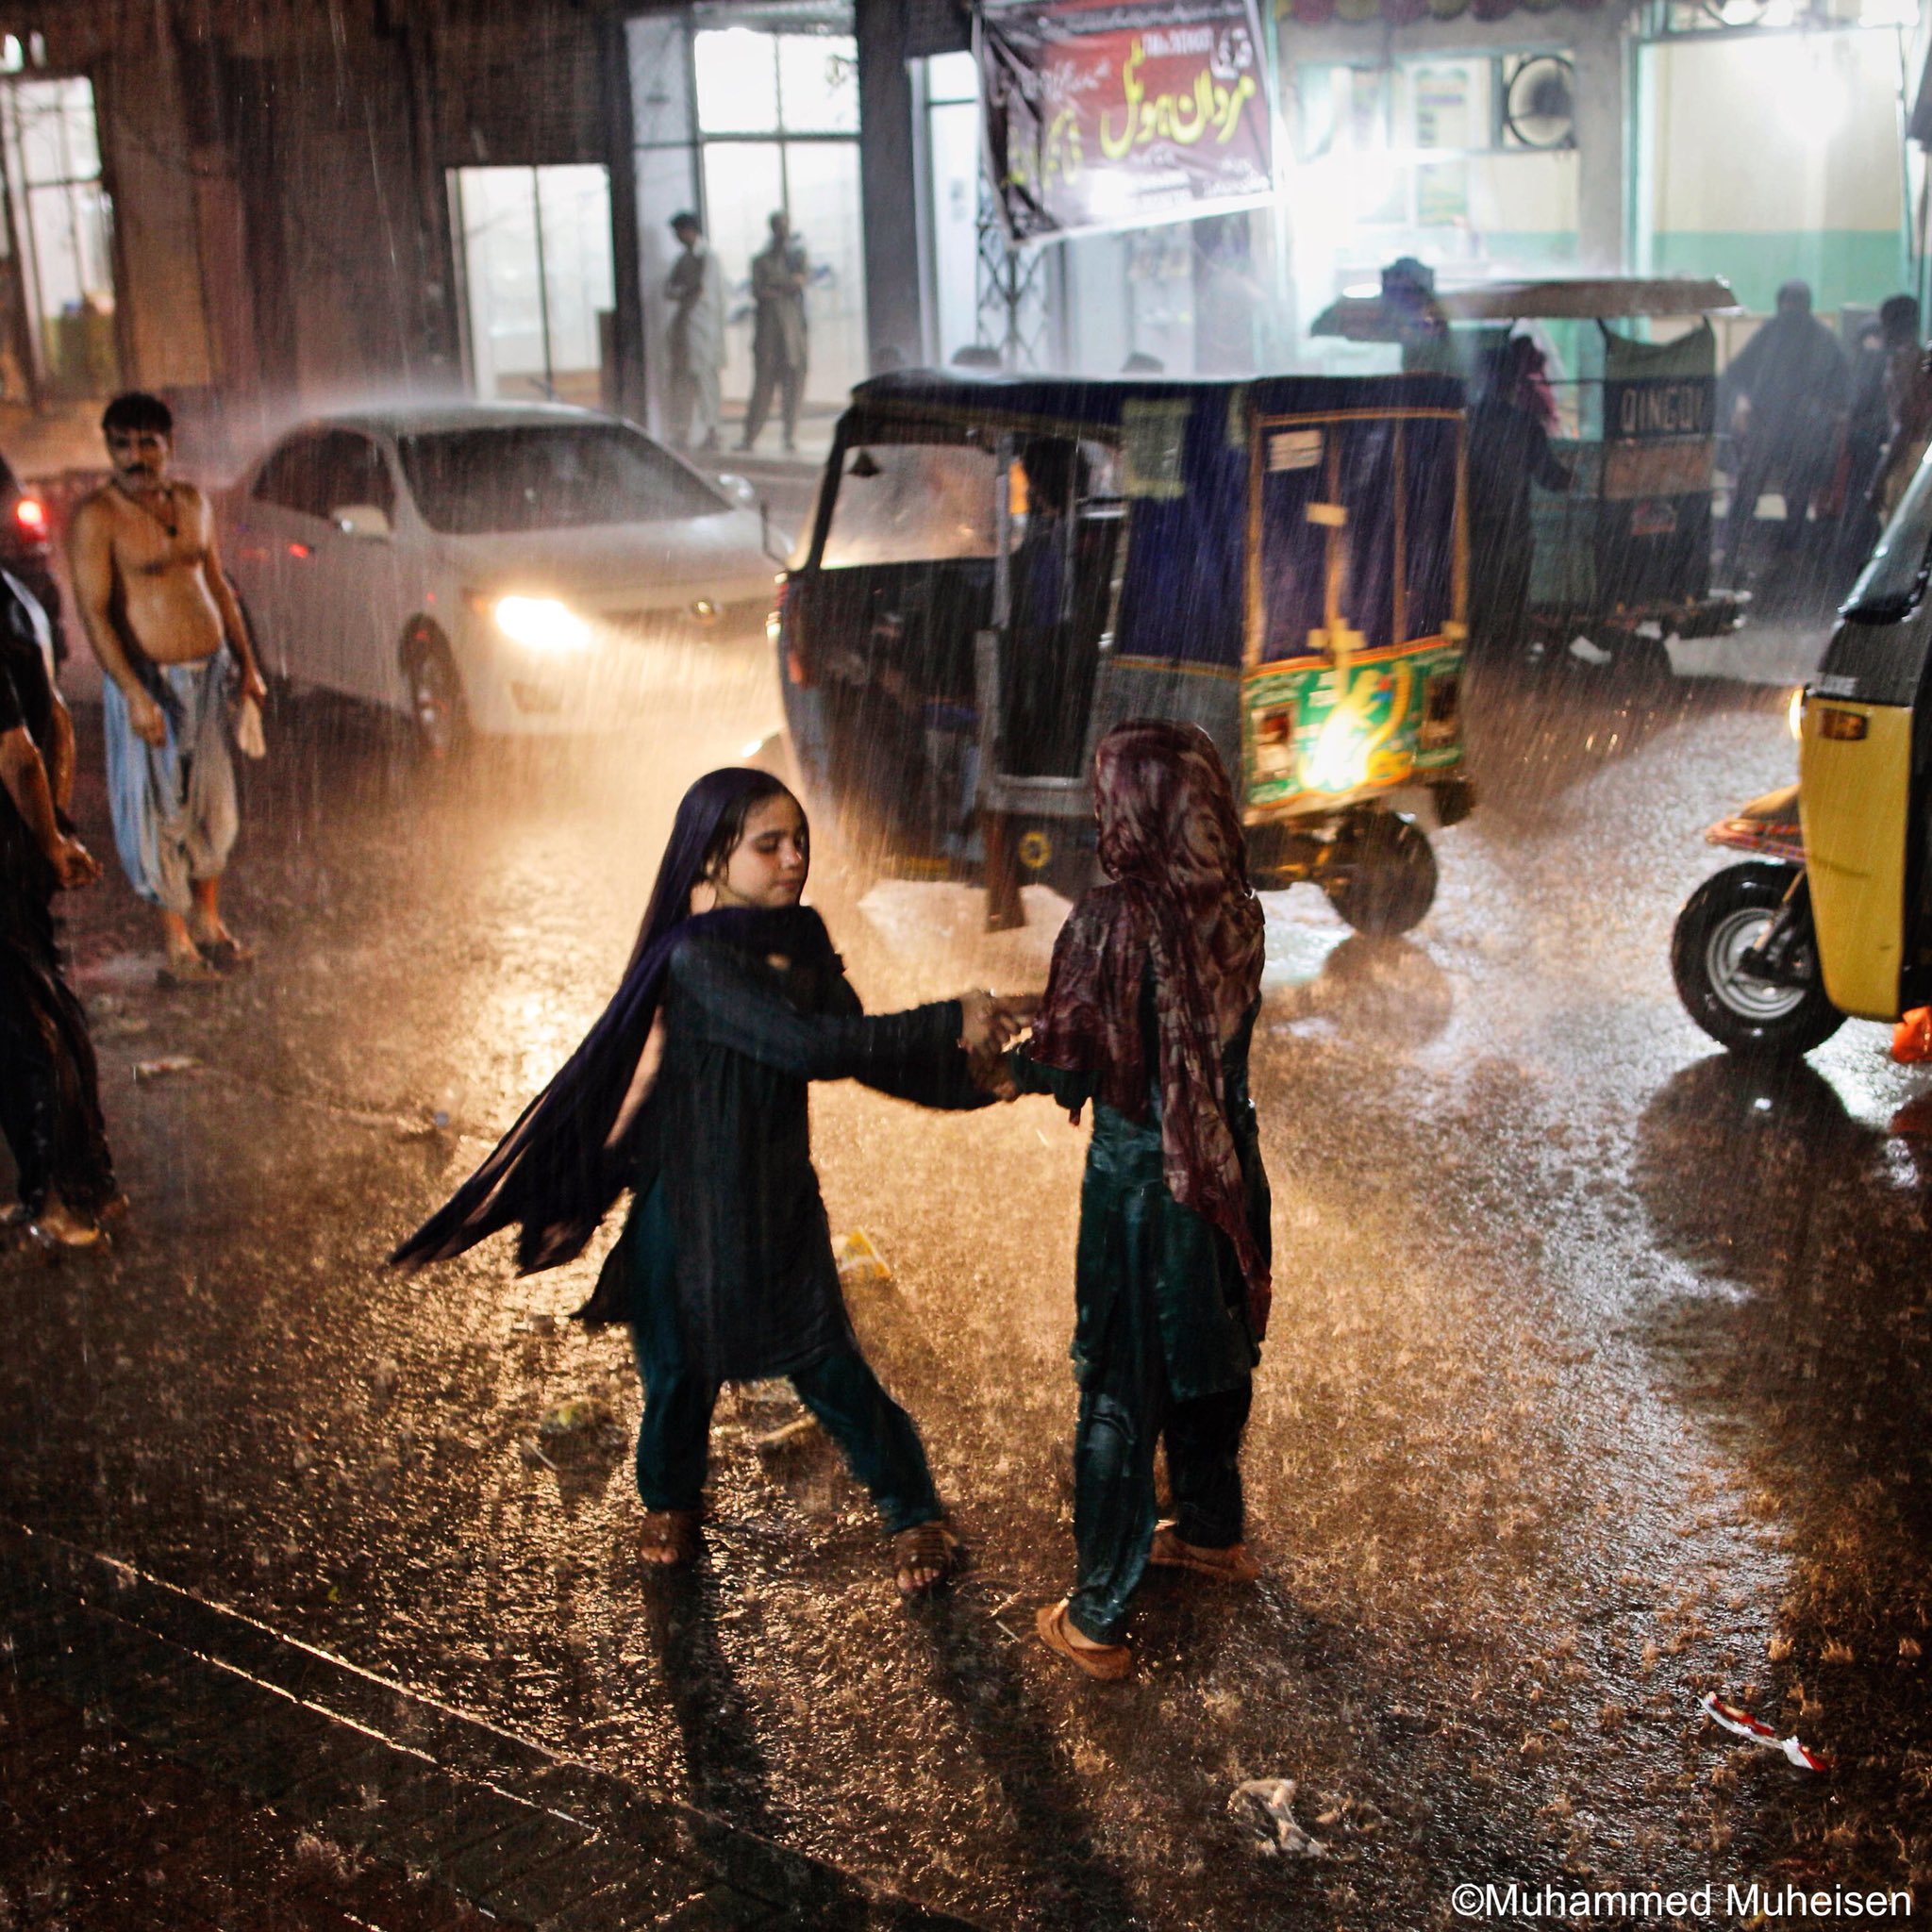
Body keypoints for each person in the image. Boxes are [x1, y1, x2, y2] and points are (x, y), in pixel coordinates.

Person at [392, 767, 1024, 1598]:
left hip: (773, 1200)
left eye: (800, 841)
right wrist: (950, 1013)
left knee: (828, 1365)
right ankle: (669, 1500)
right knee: (676, 1368)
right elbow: (807, 1047)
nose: (795, 859)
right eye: (770, 845)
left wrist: (980, 1080)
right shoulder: (697, 958)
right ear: (712, 858)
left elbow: (856, 1049)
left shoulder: (799, 939)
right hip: (683, 1203)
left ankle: (913, 1512)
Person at [998, 721, 1270, 1680]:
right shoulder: (1231, 903)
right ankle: (1208, 1529)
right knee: (1211, 1351)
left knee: (1120, 1384)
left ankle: (1096, 1616)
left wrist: (1005, 1048)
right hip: (1225, 1168)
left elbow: (1067, 1064)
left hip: (1141, 1186)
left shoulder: (1111, 916)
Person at [68, 391, 268, 987]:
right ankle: (176, 945)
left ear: (168, 445)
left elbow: (220, 589)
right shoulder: (97, 518)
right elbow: (96, 613)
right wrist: (131, 692)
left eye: (147, 443)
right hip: (149, 685)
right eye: (122, 444)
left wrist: (249, 666)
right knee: (158, 816)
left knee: (214, 810)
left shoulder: (192, 503)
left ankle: (207, 923)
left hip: (210, 676)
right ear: (109, 448)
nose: (135, 457)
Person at [0, 568, 119, 1248]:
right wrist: (56, 834)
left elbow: (19, 754)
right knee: (30, 1015)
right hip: (17, 847)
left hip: (4, 851)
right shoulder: (14, 595)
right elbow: (60, 723)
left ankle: (67, 1198)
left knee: (28, 1026)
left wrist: (48, 840)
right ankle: (67, 1188)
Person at [1719, 280, 1851, 586]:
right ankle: (1736, 557)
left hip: (1799, 434)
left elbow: (1843, 392)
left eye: (1796, 304)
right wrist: (1742, 402)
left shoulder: (1815, 338)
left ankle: (1787, 564)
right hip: (1774, 429)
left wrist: (1823, 414)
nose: (1791, 311)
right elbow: (1736, 375)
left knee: (1791, 498)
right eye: (1788, 304)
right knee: (1750, 492)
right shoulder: (1778, 334)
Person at [1466, 336, 1572, 668]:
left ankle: (1480, 654)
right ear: (1514, 382)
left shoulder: (1465, 421)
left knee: (1477, 597)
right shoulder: (1524, 425)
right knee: (1511, 596)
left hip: (1473, 531)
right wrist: (1574, 478)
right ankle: (1509, 658)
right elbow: (1550, 477)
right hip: (1512, 530)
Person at [741, 211, 808, 454]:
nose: (783, 230)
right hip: (768, 336)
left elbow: (799, 281)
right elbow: (760, 290)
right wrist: (785, 284)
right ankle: (749, 436)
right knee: (763, 387)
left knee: (794, 387)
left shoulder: (797, 256)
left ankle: (789, 436)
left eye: (785, 225)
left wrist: (777, 284)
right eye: (778, 226)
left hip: (793, 336)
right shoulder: (761, 260)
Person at [663, 211, 725, 454]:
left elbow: (700, 291)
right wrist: (685, 292)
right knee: (683, 383)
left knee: (704, 382)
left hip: (703, 330)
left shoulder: (707, 257)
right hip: (684, 329)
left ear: (690, 230)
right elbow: (669, 290)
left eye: (680, 232)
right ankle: (683, 431)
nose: (678, 237)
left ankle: (712, 432)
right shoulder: (683, 260)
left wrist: (684, 291)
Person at [1874, 294, 1932, 521]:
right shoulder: (1921, 357)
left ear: (1890, 325)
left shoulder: (1899, 363)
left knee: (1899, 533)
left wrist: (1880, 475)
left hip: (1907, 459)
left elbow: (1905, 423)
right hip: (1923, 455)